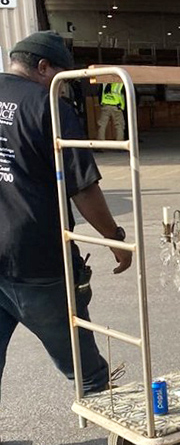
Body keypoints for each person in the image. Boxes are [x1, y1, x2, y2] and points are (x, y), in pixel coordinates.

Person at [0, 30, 132, 404]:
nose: (62, 86)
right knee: (83, 364)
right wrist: (115, 238)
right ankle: (127, 433)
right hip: (36, 259)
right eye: (60, 74)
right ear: (43, 67)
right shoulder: (49, 107)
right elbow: (83, 187)